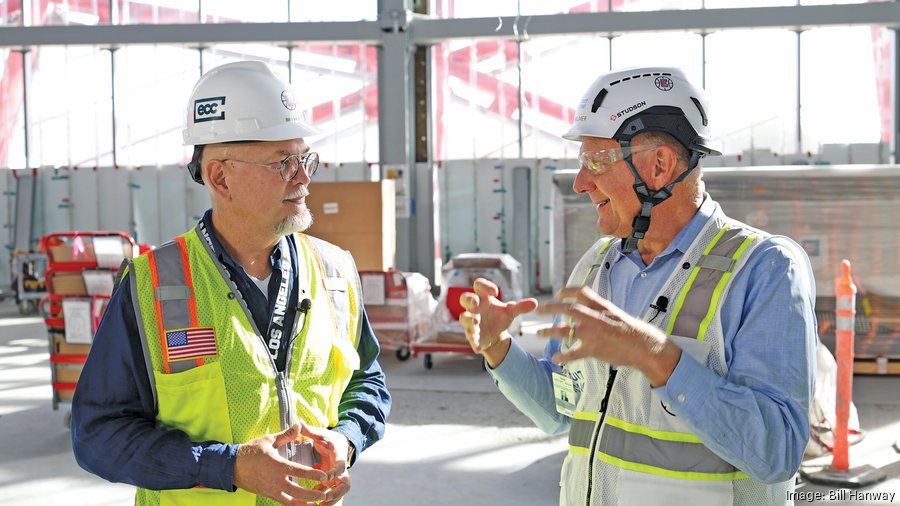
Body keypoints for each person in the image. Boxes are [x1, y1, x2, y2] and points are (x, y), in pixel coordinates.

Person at [459, 66, 816, 505]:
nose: (580, 183)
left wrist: (653, 355)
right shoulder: (597, 266)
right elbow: (560, 409)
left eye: (596, 161)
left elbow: (777, 452)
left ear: (660, 166)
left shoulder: (763, 269)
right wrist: (498, 348)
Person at [72, 60, 391, 506]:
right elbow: (97, 435)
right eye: (283, 163)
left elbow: (368, 382)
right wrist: (229, 466)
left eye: (305, 159)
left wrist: (347, 439)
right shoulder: (152, 285)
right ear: (220, 176)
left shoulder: (334, 271)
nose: (303, 179)